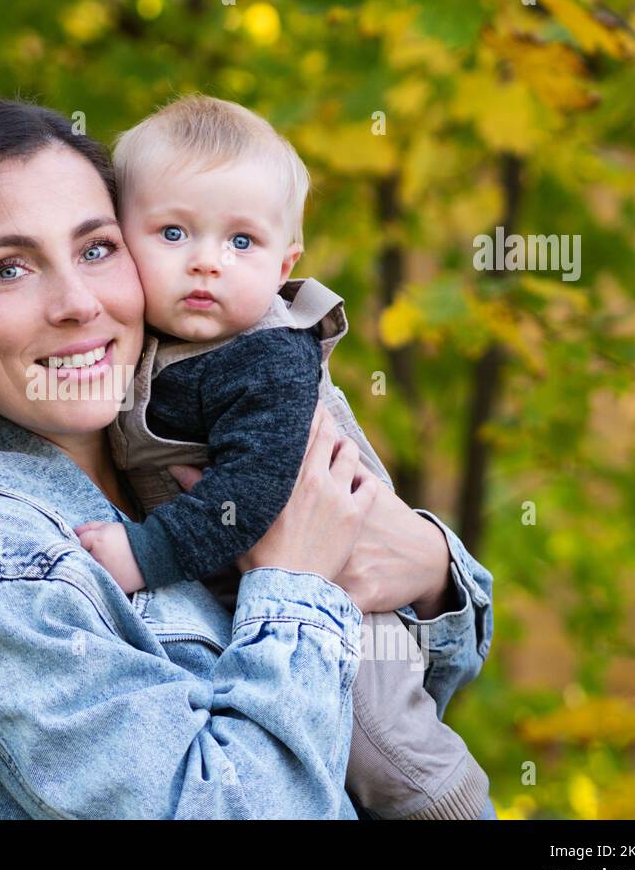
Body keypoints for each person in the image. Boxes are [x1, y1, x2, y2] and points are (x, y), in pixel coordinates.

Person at [0, 99, 495, 819]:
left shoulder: (180, 431)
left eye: (96, 249)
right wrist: (296, 585)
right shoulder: (4, 573)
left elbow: (411, 700)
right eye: (9, 269)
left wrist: (430, 566)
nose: (76, 303)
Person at [75, 94, 493, 819]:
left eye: (241, 243)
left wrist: (142, 554)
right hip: (270, 604)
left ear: (284, 263)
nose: (206, 262)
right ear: (120, 236)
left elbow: (258, 489)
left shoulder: (261, 356)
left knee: (396, 765)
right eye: (173, 233)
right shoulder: (155, 346)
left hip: (346, 613)